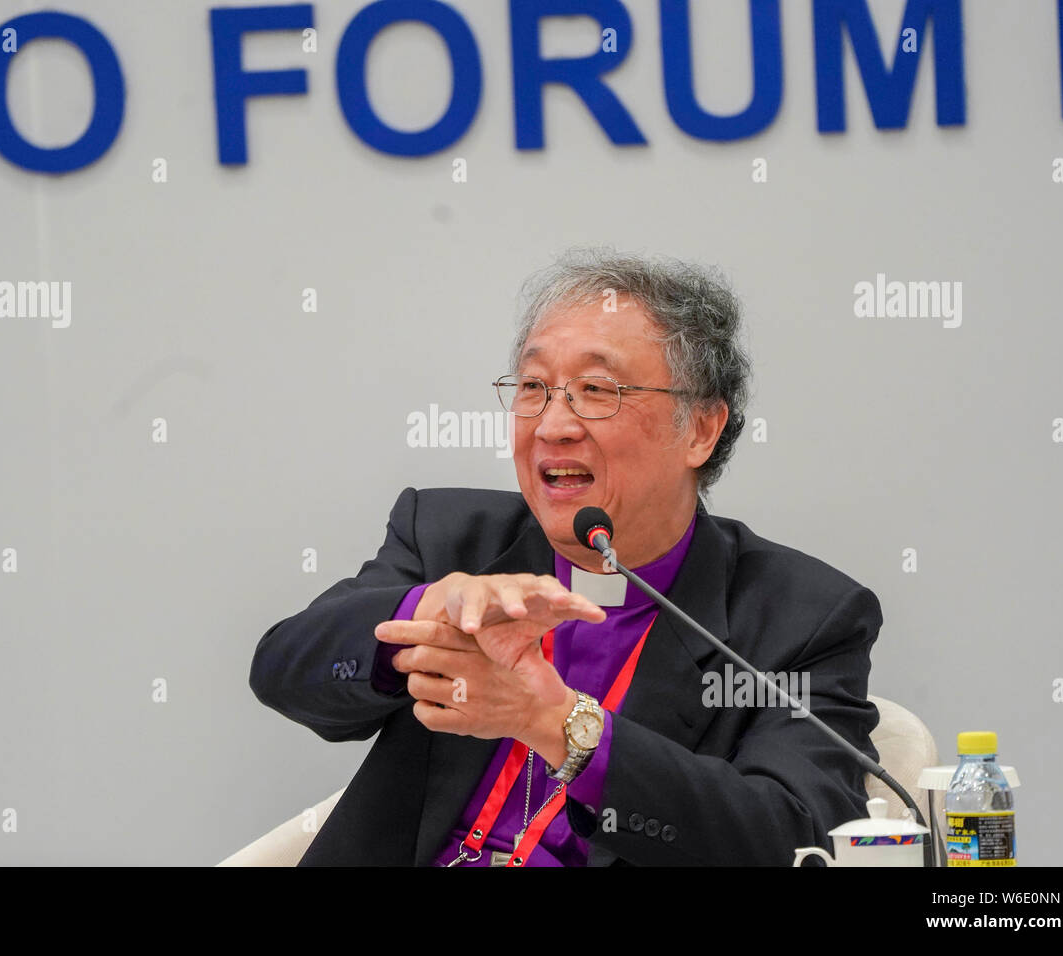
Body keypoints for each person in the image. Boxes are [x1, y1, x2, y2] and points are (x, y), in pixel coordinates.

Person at [249, 247, 883, 866]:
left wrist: (558, 724)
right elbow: (283, 669)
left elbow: (788, 836)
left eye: (596, 389)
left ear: (700, 429)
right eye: (533, 387)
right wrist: (422, 612)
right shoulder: (448, 537)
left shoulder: (803, 619)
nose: (552, 425)